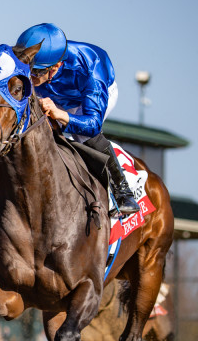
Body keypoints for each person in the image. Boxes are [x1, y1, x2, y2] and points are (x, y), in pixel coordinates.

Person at [13, 23, 139, 216]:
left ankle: (123, 191)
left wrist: (60, 114)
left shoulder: (91, 68)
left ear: (56, 66)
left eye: (35, 72)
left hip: (86, 98)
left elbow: (92, 124)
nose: (28, 76)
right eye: (26, 69)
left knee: (82, 136)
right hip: (53, 96)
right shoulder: (34, 63)